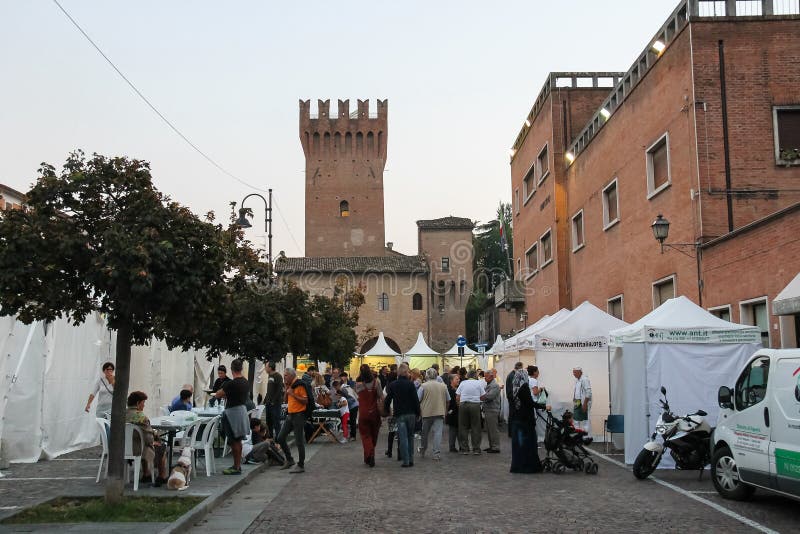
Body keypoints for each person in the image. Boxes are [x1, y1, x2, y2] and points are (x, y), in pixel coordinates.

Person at [214, 358, 249, 475]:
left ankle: (236, 466)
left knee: (234, 440)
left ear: (232, 369)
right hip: (241, 410)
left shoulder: (232, 383)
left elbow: (218, 394)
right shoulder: (245, 381)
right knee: (238, 440)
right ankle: (237, 465)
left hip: (232, 413)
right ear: (241, 368)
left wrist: (222, 393)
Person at [509, 369, 549, 474]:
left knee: (519, 445)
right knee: (528, 445)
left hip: (517, 420)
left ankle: (518, 466)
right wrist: (544, 406)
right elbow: (530, 403)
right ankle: (528, 467)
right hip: (526, 421)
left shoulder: (514, 388)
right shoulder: (524, 387)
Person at [125, 390, 168, 486]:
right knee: (160, 447)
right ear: (138, 403)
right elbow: (148, 438)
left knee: (142, 442)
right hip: (137, 449)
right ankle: (162, 476)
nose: (144, 405)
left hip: (122, 448)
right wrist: (155, 440)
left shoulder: (121, 414)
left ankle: (146, 474)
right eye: (143, 403)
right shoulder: (141, 417)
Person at [383, 363, 420, 467]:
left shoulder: (393, 385)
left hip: (400, 414)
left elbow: (387, 399)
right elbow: (415, 400)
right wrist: (418, 412)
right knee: (411, 436)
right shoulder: (410, 384)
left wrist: (386, 411)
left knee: (402, 437)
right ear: (405, 373)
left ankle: (406, 461)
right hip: (411, 414)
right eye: (408, 371)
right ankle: (411, 459)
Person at [276, 367, 308, 473]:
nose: (284, 377)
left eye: (285, 375)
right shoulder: (290, 385)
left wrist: (293, 393)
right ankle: (290, 459)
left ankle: (301, 465)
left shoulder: (299, 385)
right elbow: (285, 400)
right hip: (290, 415)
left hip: (299, 415)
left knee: (299, 441)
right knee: (280, 437)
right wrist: (287, 390)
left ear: (291, 375)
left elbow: (305, 400)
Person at [355, 364, 383, 467]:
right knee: (374, 435)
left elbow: (357, 395)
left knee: (365, 436)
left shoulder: (358, 384)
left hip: (363, 413)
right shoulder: (376, 382)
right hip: (374, 412)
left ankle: (369, 455)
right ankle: (370, 454)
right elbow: (381, 396)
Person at [419, 367, 449, 460]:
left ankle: (423, 450)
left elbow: (418, 399)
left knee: (424, 433)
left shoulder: (423, 386)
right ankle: (436, 453)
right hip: (439, 411)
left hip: (426, 412)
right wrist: (446, 410)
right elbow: (448, 400)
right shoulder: (443, 386)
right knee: (438, 433)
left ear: (427, 375)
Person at [481, 369, 502, 453]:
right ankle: (492, 446)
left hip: (492, 410)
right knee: (489, 430)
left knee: (493, 430)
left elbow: (489, 396)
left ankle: (495, 447)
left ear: (491, 376)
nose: (485, 378)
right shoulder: (489, 384)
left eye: (486, 376)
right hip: (489, 409)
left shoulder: (495, 385)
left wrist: (481, 396)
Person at [264, 361, 284, 439]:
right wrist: (266, 400)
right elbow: (269, 390)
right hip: (268, 403)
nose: (265, 368)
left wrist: (273, 401)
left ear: (270, 367)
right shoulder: (269, 376)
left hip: (275, 404)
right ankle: (270, 439)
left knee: (276, 423)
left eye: (266, 367)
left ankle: (278, 440)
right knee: (269, 423)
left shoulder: (278, 376)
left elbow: (279, 390)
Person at [572, 366, 592, 433]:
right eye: (573, 372)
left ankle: (585, 437)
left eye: (575, 372)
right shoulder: (577, 380)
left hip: (583, 402)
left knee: (585, 420)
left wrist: (585, 404)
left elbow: (588, 392)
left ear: (580, 372)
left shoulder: (585, 379)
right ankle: (577, 436)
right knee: (576, 419)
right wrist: (574, 398)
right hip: (577, 402)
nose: (573, 374)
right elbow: (577, 390)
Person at [505, 362, 523, 437]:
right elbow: (514, 388)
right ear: (519, 368)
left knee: (512, 415)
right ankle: (512, 433)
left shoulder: (511, 374)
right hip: (513, 398)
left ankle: (511, 432)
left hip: (511, 397)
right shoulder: (513, 375)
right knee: (513, 415)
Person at [446, 374, 461, 452]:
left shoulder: (459, 388)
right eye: (456, 379)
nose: (458, 380)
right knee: (453, 430)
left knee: (459, 429)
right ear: (451, 381)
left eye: (458, 379)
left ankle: (461, 446)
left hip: (458, 412)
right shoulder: (449, 389)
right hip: (452, 412)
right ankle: (452, 447)